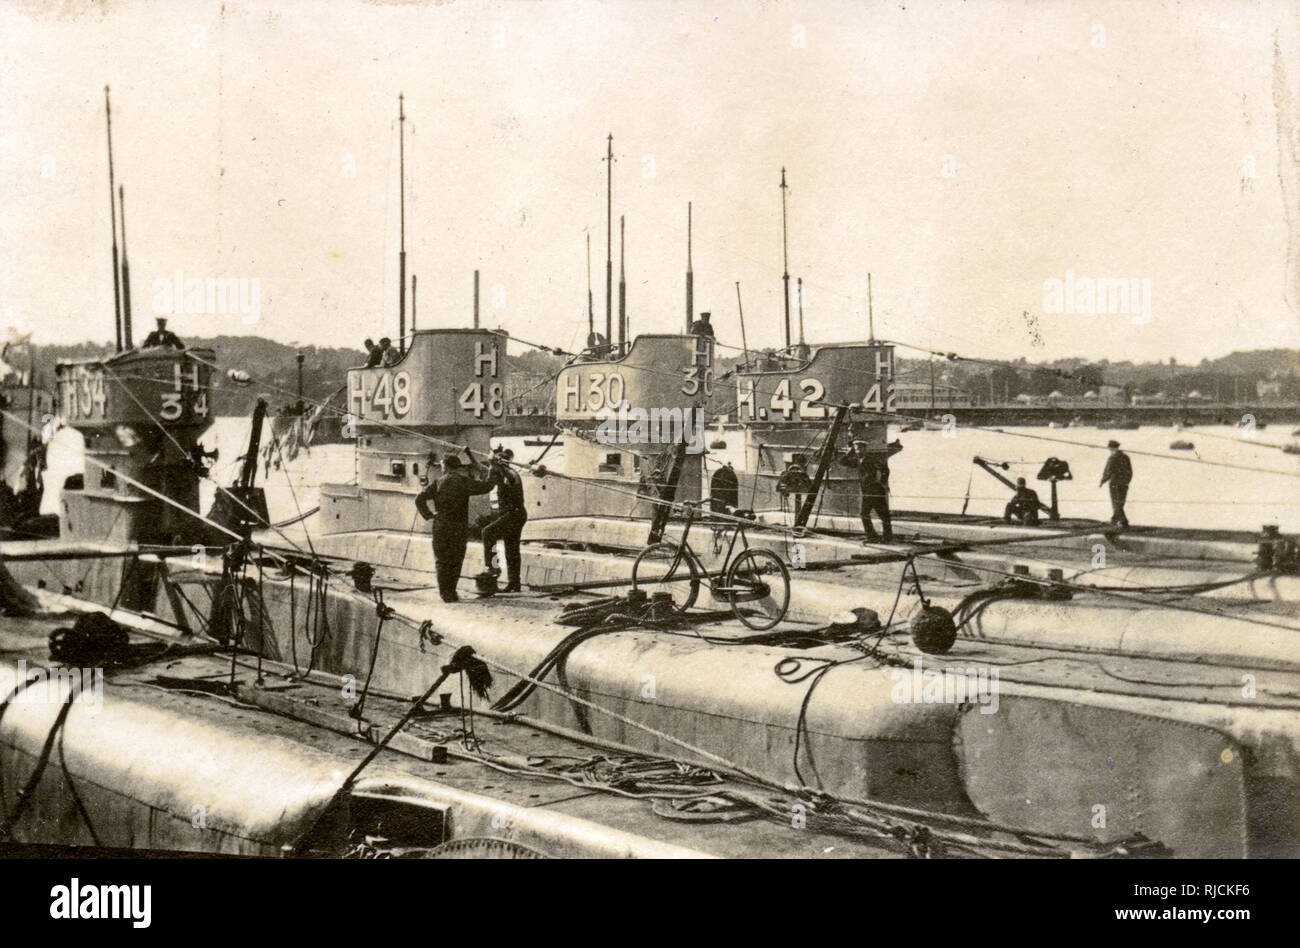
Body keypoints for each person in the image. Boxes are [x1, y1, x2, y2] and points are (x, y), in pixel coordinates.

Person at [415, 449, 492, 601]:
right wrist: (492, 472)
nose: (442, 468)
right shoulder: (463, 481)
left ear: (447, 467)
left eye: (443, 465)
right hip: (458, 527)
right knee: (456, 560)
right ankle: (452, 592)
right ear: (457, 467)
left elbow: (419, 499)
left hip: (441, 526)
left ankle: (445, 593)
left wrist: (429, 515)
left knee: (442, 560)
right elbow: (487, 487)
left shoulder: (437, 483)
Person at [479, 448, 528, 592]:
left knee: (487, 533)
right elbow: (483, 470)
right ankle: (514, 583)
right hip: (512, 515)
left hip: (514, 515)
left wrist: (496, 465)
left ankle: (493, 567)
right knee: (511, 549)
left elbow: (511, 478)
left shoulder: (511, 474)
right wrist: (469, 453)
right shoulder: (500, 473)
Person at [840, 438, 903, 543]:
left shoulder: (871, 459)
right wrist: (850, 451)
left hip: (875, 490)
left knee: (883, 515)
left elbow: (885, 469)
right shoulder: (858, 460)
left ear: (865, 449)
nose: (858, 451)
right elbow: (843, 462)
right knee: (865, 514)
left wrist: (883, 481)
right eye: (856, 449)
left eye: (860, 448)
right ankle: (872, 536)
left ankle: (886, 538)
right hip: (866, 492)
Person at [1100, 439, 1133, 527]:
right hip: (1124, 483)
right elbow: (1130, 471)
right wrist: (1127, 481)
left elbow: (1108, 470)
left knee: (1116, 502)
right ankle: (1115, 519)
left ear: (1111, 448)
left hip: (1115, 483)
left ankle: (1122, 521)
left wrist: (1103, 481)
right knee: (1121, 502)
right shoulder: (1126, 457)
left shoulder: (1112, 458)